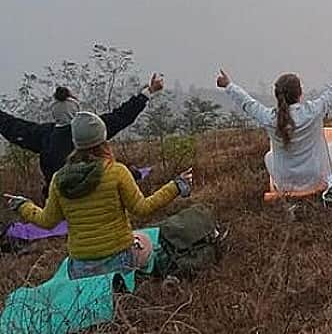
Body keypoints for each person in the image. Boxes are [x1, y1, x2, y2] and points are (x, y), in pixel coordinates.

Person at [4, 112, 192, 279]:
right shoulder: (116, 172)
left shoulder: (58, 179)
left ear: (76, 142)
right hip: (119, 259)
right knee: (147, 243)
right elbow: (142, 208)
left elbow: (47, 221)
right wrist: (176, 186)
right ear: (103, 140)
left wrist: (23, 205)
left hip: (80, 268)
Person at [0, 75, 166, 202]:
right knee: (126, 172)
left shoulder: (43, 135)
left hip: (59, 201)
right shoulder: (91, 129)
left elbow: (12, 126)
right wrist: (148, 92)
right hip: (95, 196)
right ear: (75, 108)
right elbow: (123, 115)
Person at [218, 51, 332, 194]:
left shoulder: (270, 118)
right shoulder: (313, 111)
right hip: (317, 179)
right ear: (300, 93)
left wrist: (229, 86)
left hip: (285, 183)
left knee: (269, 156)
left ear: (277, 95)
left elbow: (248, 104)